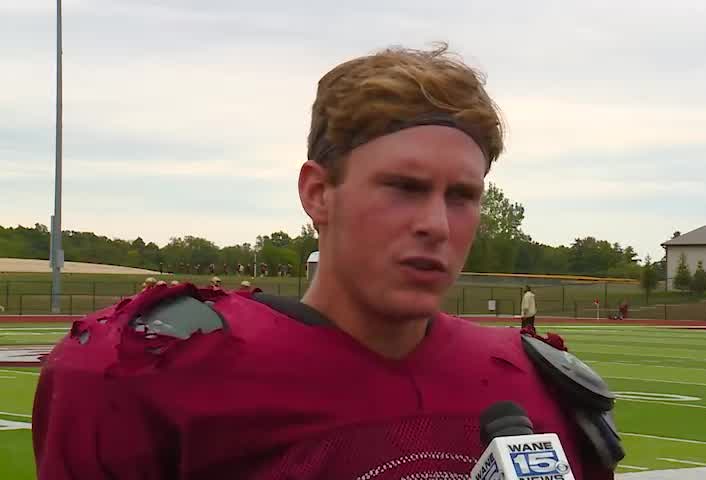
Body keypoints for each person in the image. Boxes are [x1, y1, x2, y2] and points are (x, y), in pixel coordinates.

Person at [32, 44, 620, 479]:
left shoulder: (536, 388)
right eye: (404, 187)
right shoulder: (153, 369)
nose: (436, 225)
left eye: (461, 197)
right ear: (318, 193)